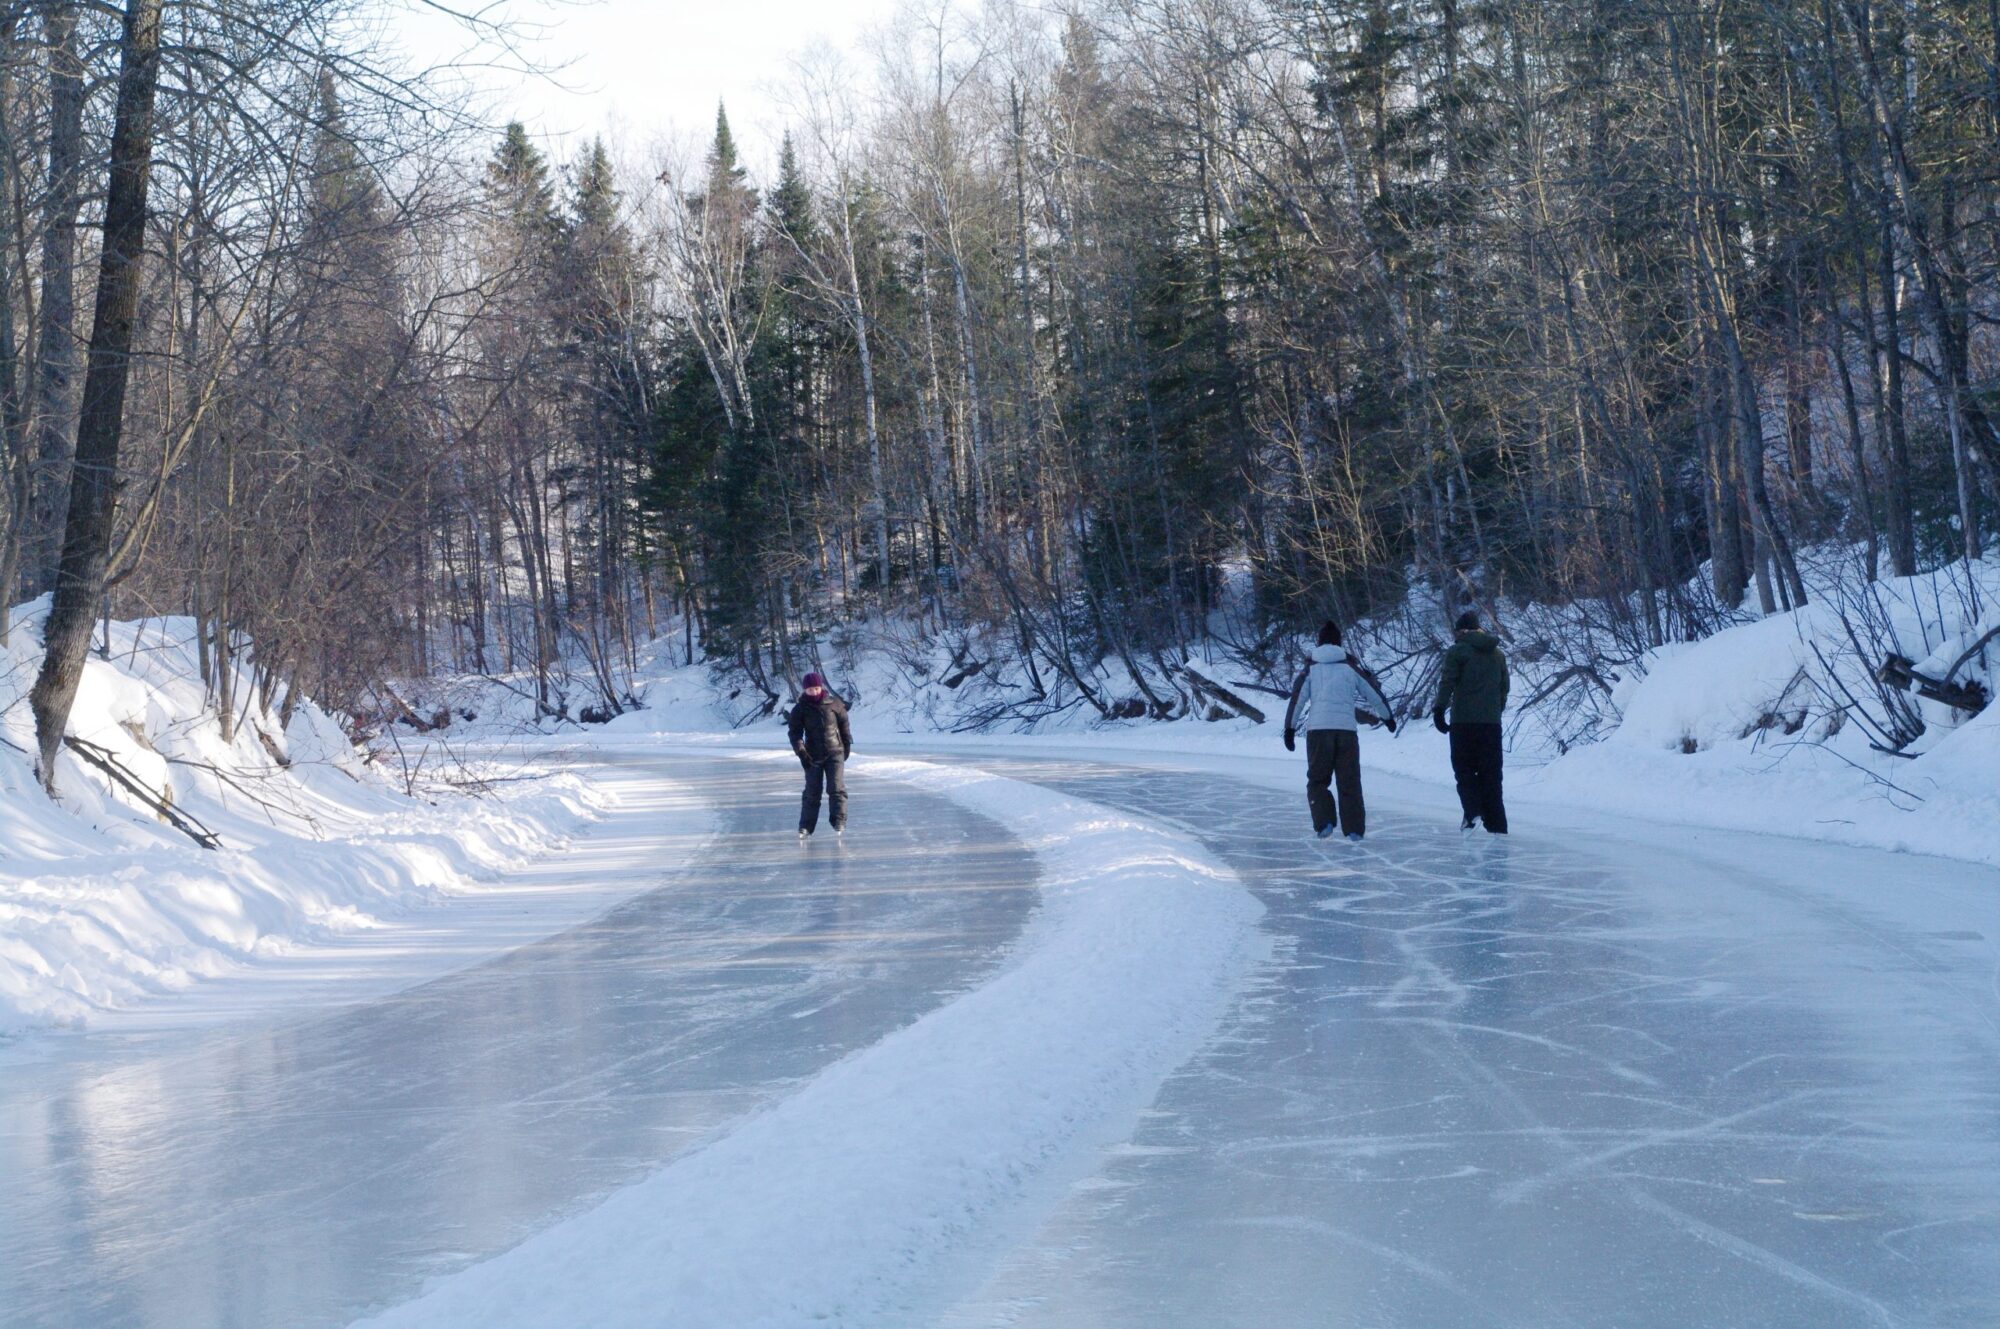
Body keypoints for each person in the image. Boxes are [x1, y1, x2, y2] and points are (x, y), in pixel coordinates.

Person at [1282, 621, 1397, 841]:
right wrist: (1387, 717)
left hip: (1318, 732)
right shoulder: (1349, 668)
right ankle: (1354, 830)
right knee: (1349, 781)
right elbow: (1372, 692)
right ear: (1339, 642)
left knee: (1317, 780)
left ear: (1319, 642)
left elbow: (1297, 700)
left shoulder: (1311, 669)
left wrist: (1289, 729)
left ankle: (1324, 823)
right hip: (1346, 732)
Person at [1432, 610, 1509, 834]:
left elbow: (1447, 682)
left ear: (1462, 631)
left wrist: (1439, 710)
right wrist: (1495, 711)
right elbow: (1504, 688)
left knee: (1464, 770)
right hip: (1491, 725)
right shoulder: (1498, 655)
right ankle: (1498, 827)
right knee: (1492, 775)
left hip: (1463, 723)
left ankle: (1473, 811)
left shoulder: (1457, 651)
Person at [786, 671, 852, 839]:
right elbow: (794, 733)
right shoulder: (800, 709)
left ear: (821, 687)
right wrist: (801, 751)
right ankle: (806, 827)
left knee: (836, 788)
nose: (813, 692)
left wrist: (847, 743)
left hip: (835, 752)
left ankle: (839, 821)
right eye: (810, 690)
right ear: (804, 691)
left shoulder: (834, 704)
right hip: (812, 755)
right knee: (812, 792)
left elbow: (844, 724)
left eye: (816, 688)